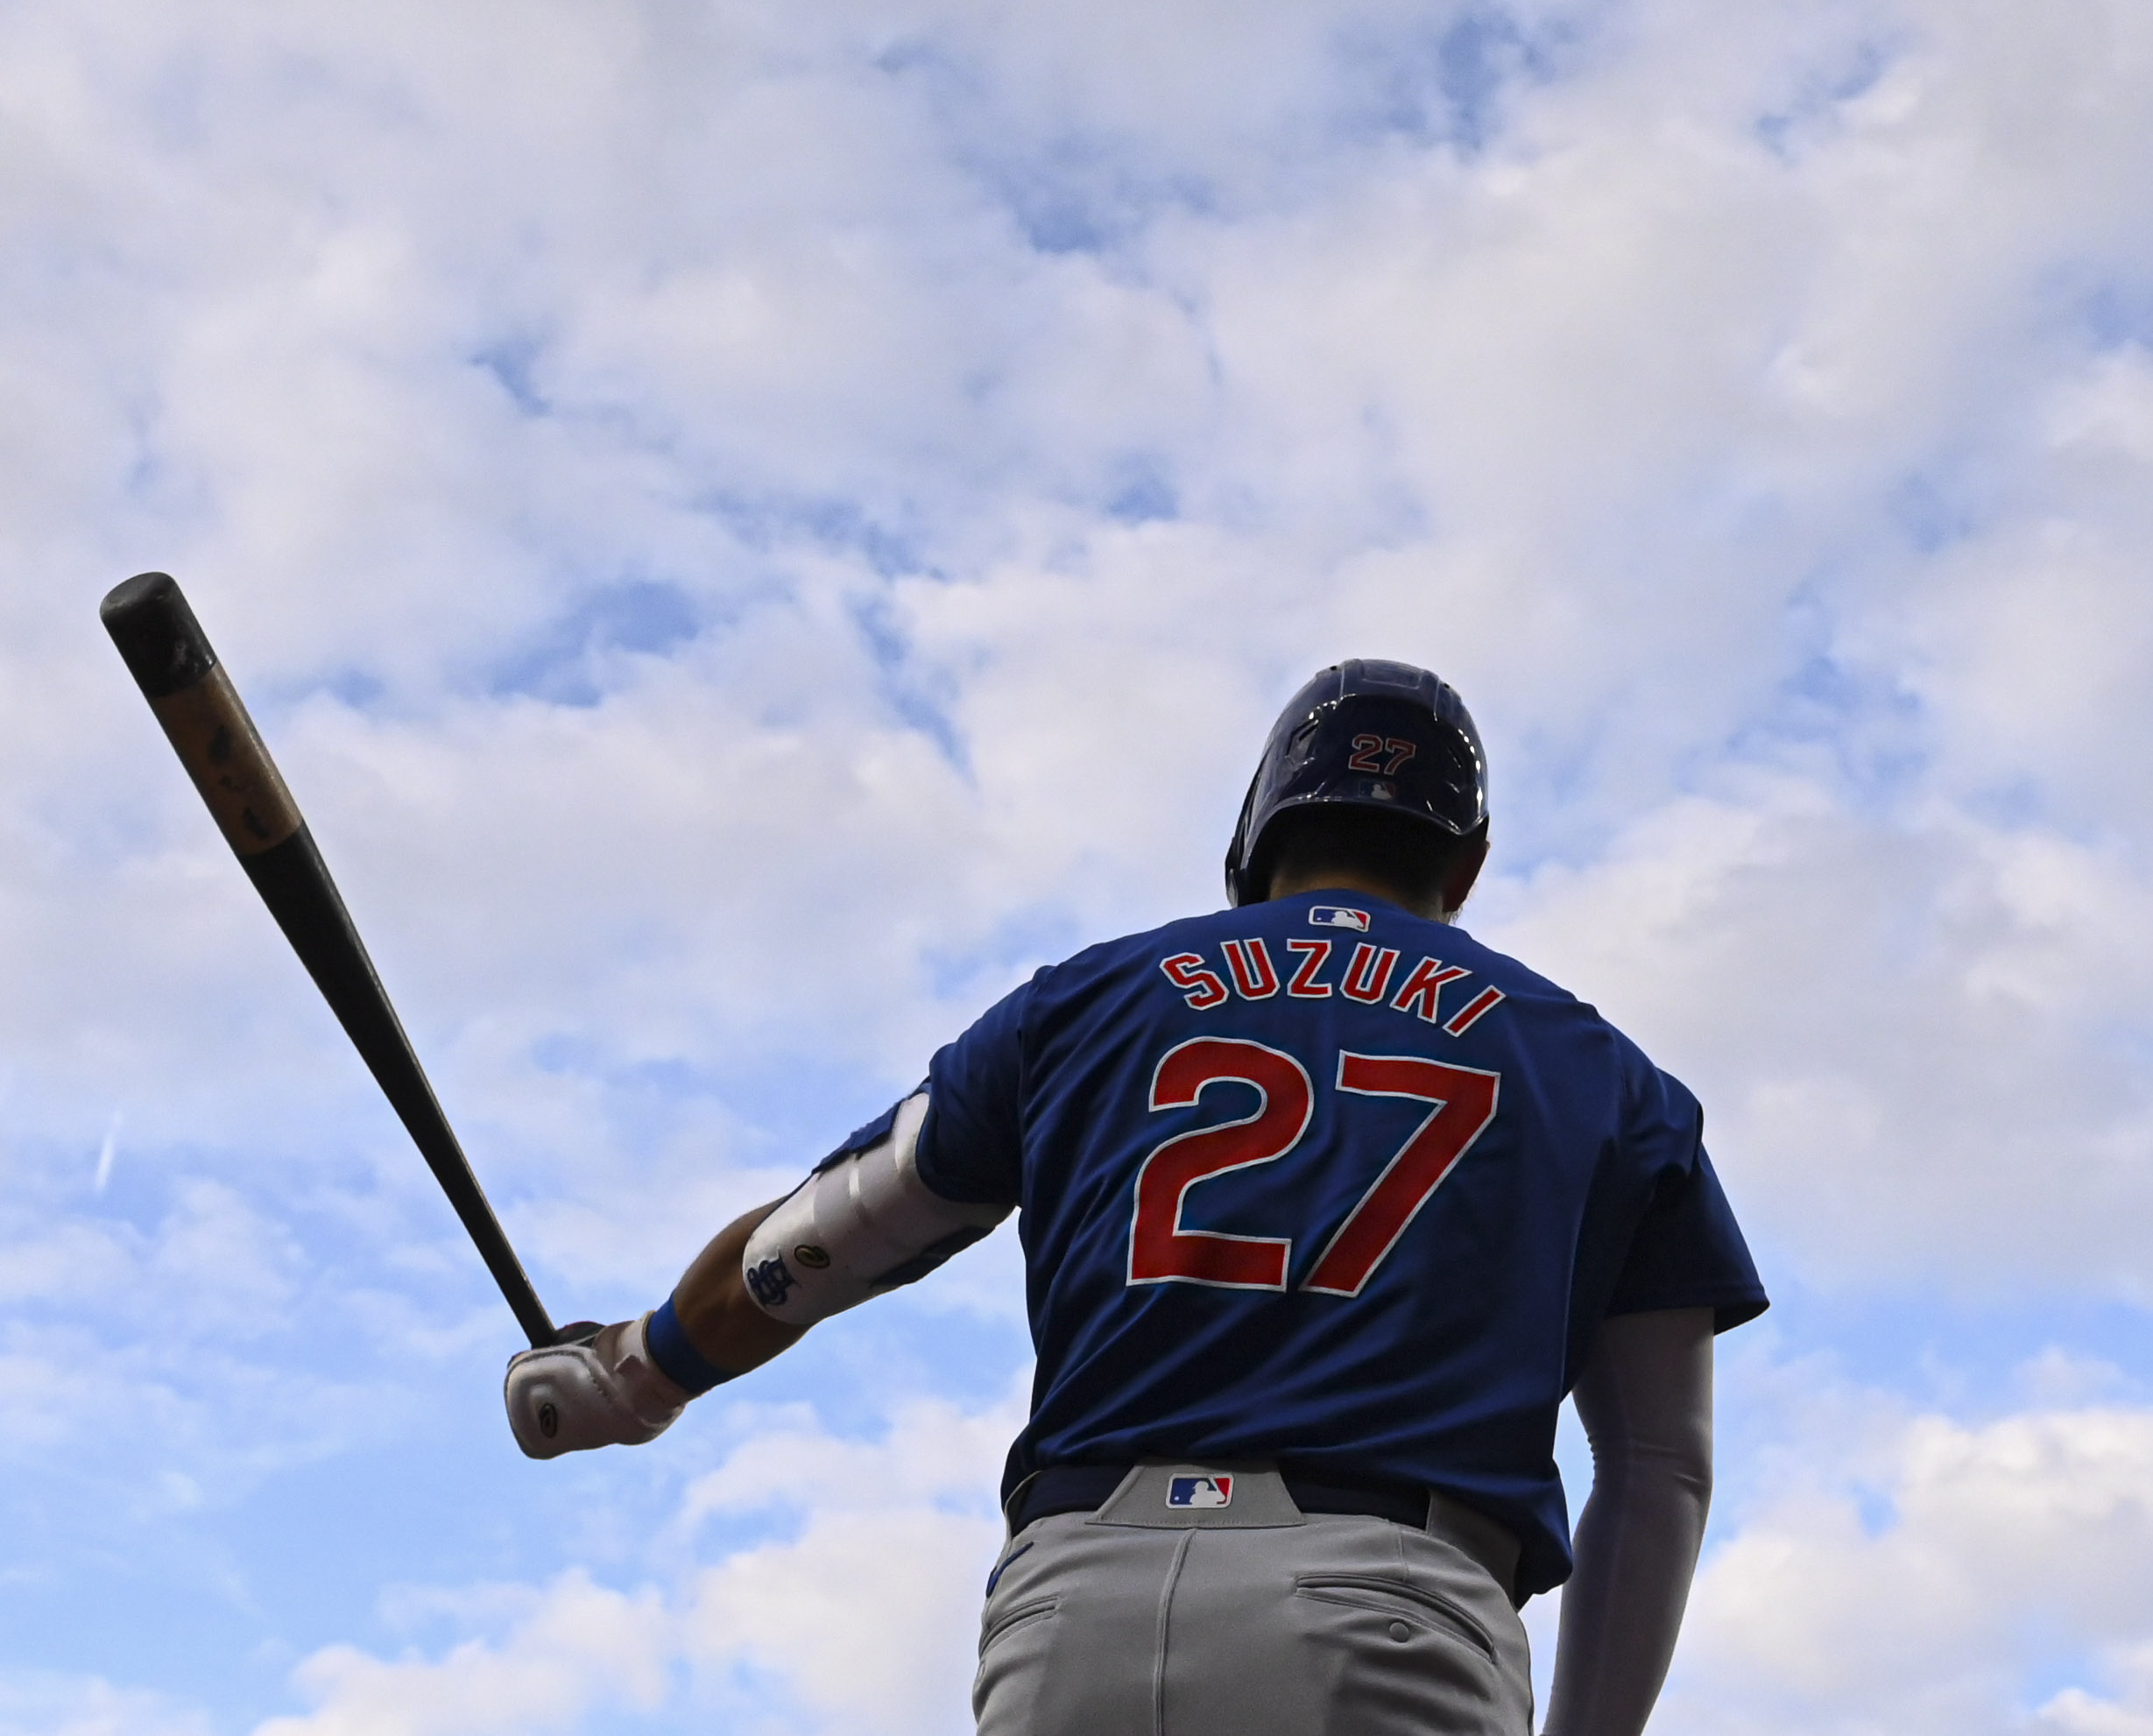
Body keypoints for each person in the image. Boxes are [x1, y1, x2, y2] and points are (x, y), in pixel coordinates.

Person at [505, 660, 1766, 1736]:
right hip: (1394, 1615)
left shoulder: (1088, 1002)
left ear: (1262, 829)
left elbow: (828, 1238)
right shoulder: (1605, 1074)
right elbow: (1659, 1469)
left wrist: (636, 1374)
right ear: (1467, 865)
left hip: (1075, 1614)